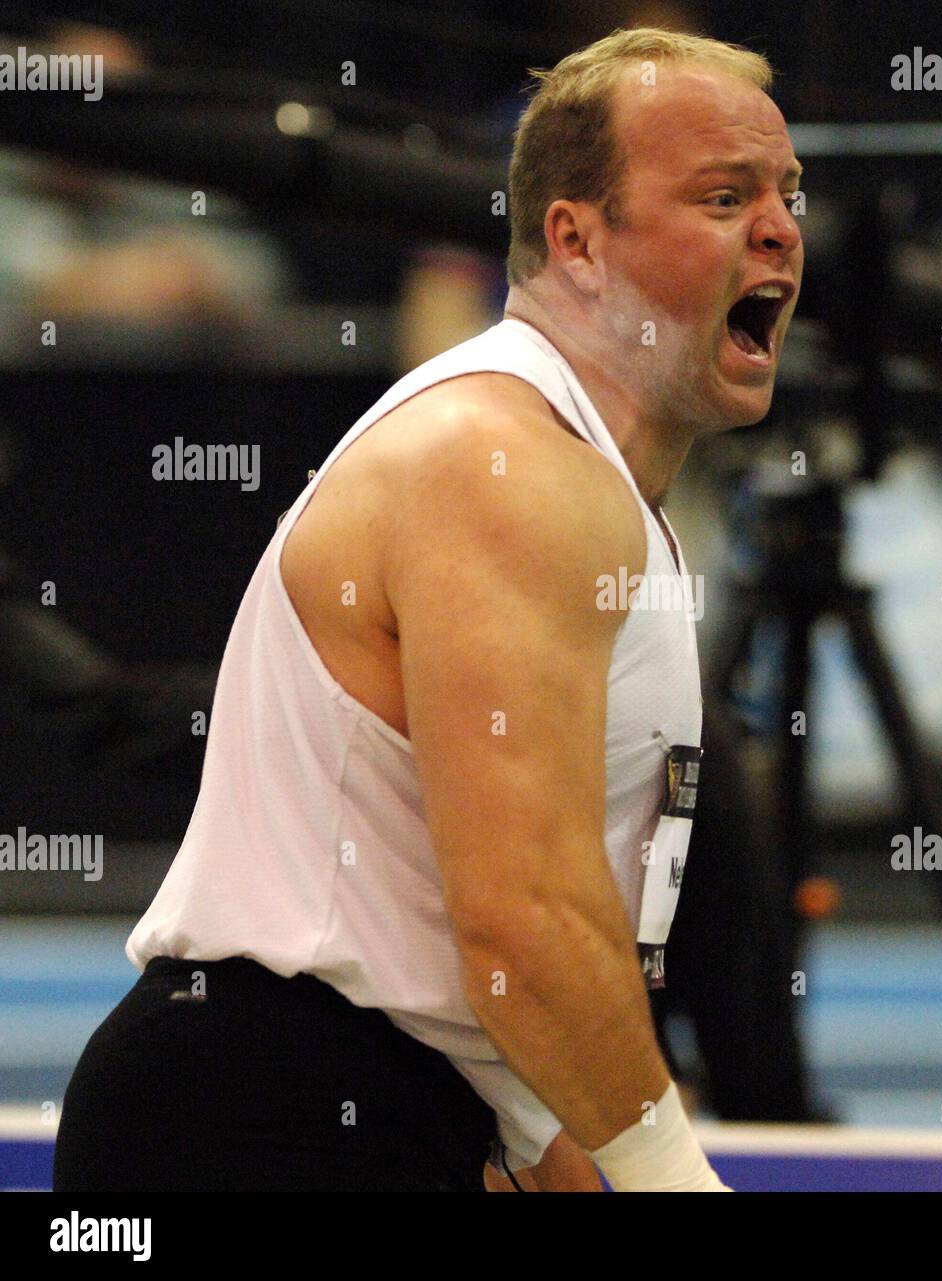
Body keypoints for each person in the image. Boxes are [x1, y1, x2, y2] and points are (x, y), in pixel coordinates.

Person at [53, 25, 803, 1193]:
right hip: (260, 1119)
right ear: (576, 239)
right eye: (722, 195)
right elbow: (521, 921)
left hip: (358, 1113)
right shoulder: (500, 463)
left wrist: (541, 1142)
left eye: (786, 193)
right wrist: (669, 1178)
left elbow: (464, 949)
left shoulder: (577, 478)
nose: (780, 228)